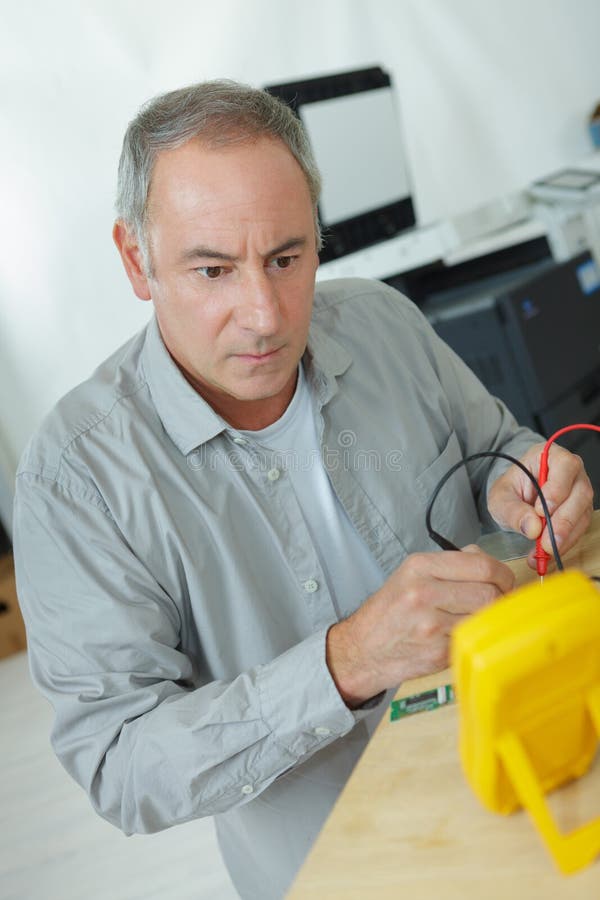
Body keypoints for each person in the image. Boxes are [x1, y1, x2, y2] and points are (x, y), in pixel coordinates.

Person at [13, 80, 593, 900]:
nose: (264, 314)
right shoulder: (75, 481)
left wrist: (521, 477)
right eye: (212, 269)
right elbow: (122, 765)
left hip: (540, 759)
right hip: (350, 866)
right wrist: (346, 662)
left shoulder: (383, 321)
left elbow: (498, 445)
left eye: (287, 258)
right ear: (136, 261)